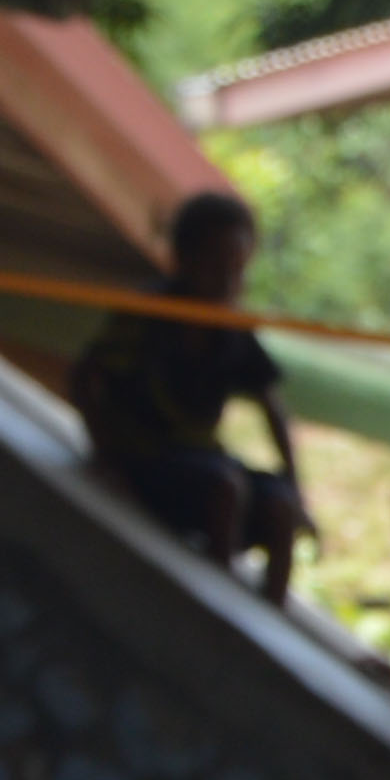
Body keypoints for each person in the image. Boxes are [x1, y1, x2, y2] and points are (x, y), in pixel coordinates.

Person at [73, 189, 306, 595]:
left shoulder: (233, 330)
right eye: (215, 266)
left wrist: (297, 489)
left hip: (199, 461)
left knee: (279, 507)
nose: (227, 280)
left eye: (237, 268)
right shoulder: (149, 314)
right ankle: (213, 600)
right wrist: (105, 455)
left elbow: (272, 408)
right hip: (145, 459)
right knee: (225, 488)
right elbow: (83, 378)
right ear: (183, 259)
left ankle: (269, 609)